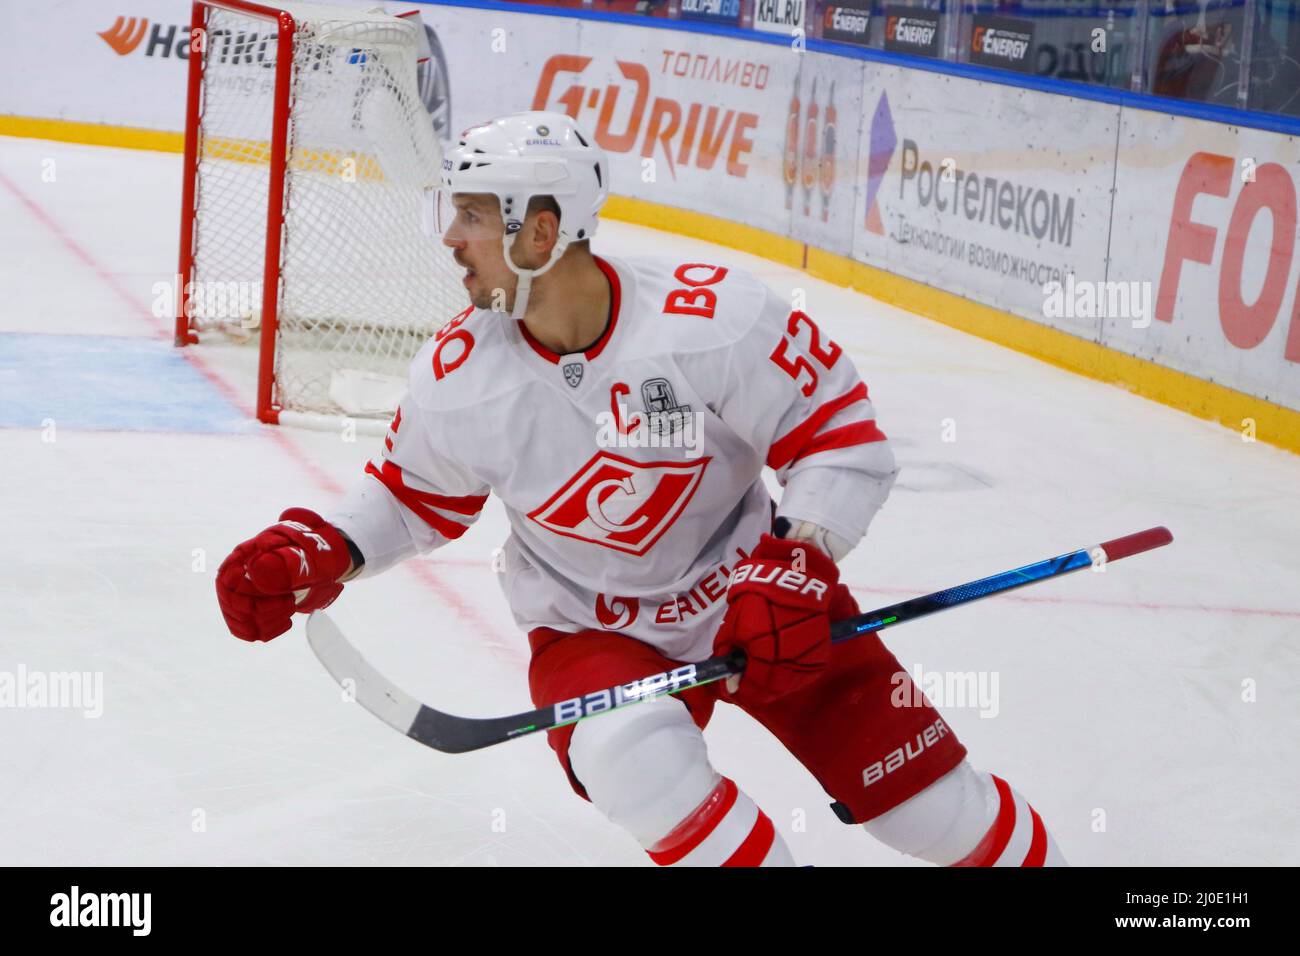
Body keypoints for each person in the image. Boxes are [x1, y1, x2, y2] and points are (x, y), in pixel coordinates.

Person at [215, 110, 1065, 867]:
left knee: (934, 813)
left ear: (541, 234)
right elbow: (412, 497)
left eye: (472, 217)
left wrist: (800, 561)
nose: (451, 240)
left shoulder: (714, 319)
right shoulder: (458, 375)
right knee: (638, 767)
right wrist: (319, 546)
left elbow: (840, 438)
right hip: (592, 629)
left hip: (764, 599)